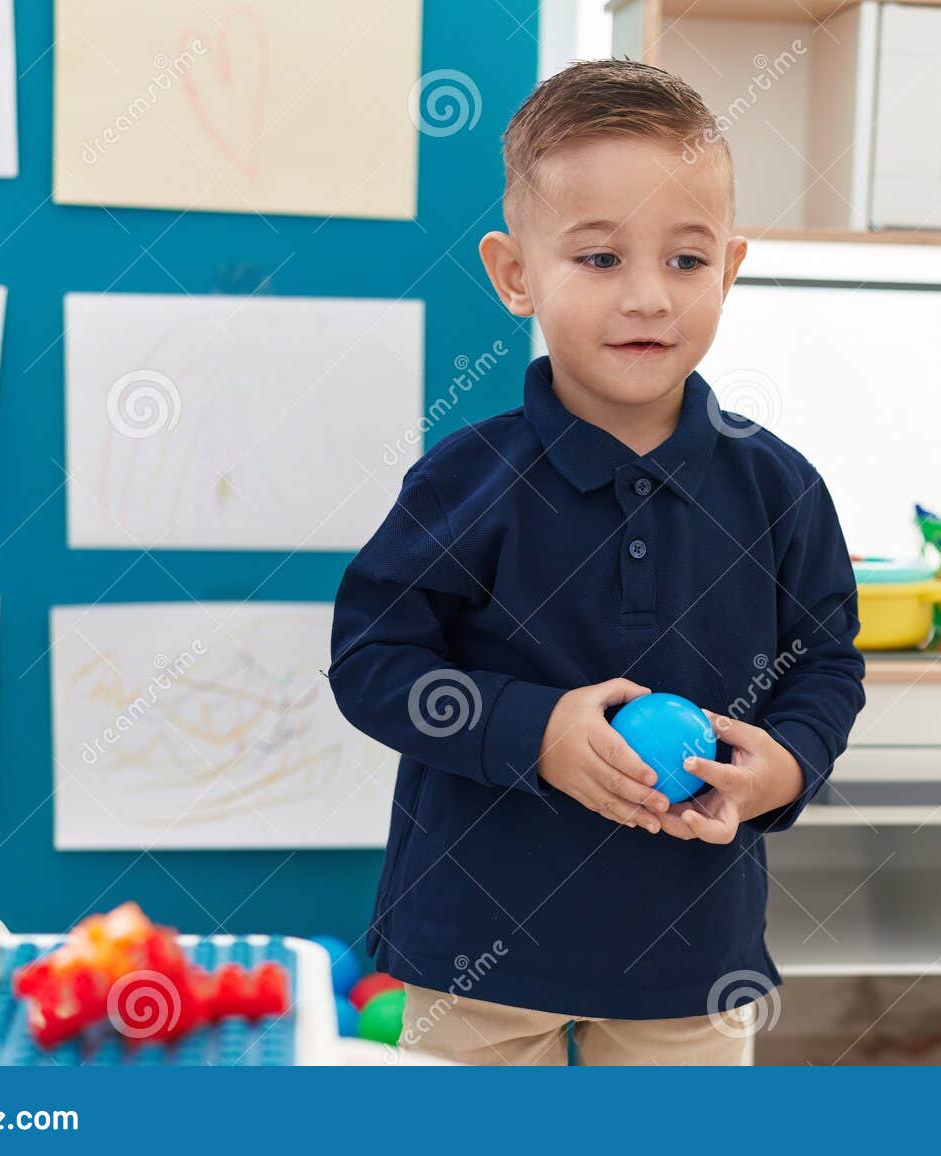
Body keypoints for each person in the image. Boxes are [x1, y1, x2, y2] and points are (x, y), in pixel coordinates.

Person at [329, 58, 865, 1065]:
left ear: (732, 267)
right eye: (600, 259)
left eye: (686, 260)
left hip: (690, 965)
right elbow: (370, 663)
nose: (649, 298)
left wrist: (784, 765)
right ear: (514, 272)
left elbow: (826, 665)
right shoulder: (463, 478)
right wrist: (534, 731)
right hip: (469, 955)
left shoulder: (778, 487)